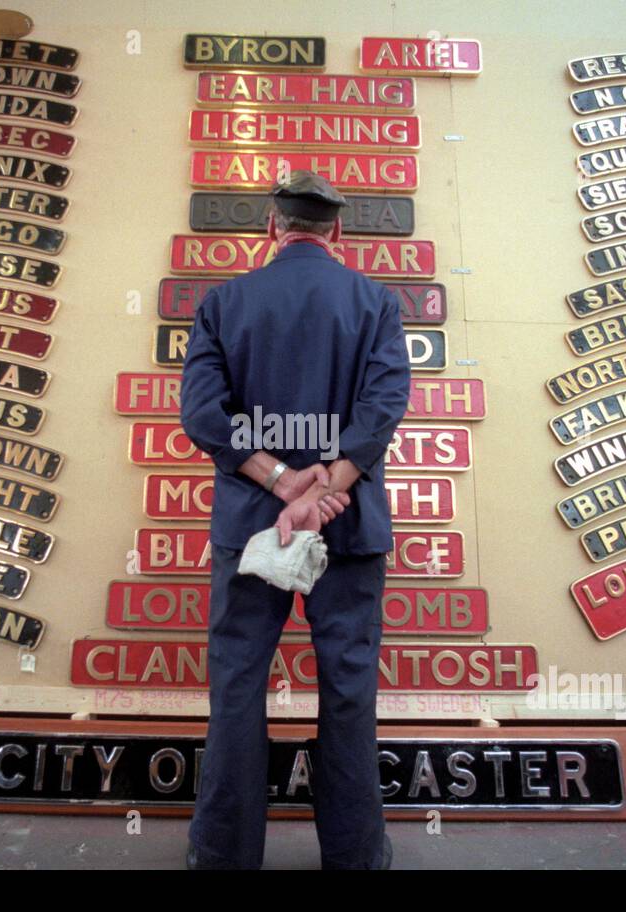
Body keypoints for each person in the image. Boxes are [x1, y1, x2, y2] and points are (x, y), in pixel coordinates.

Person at [179, 170, 412, 869]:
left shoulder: (224, 302)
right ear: (336, 231)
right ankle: (356, 854)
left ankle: (222, 855)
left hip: (253, 526)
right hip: (349, 523)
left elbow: (201, 416)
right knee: (348, 691)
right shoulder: (375, 302)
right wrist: (327, 484)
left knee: (239, 687)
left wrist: (282, 482)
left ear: (272, 229)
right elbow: (381, 409)